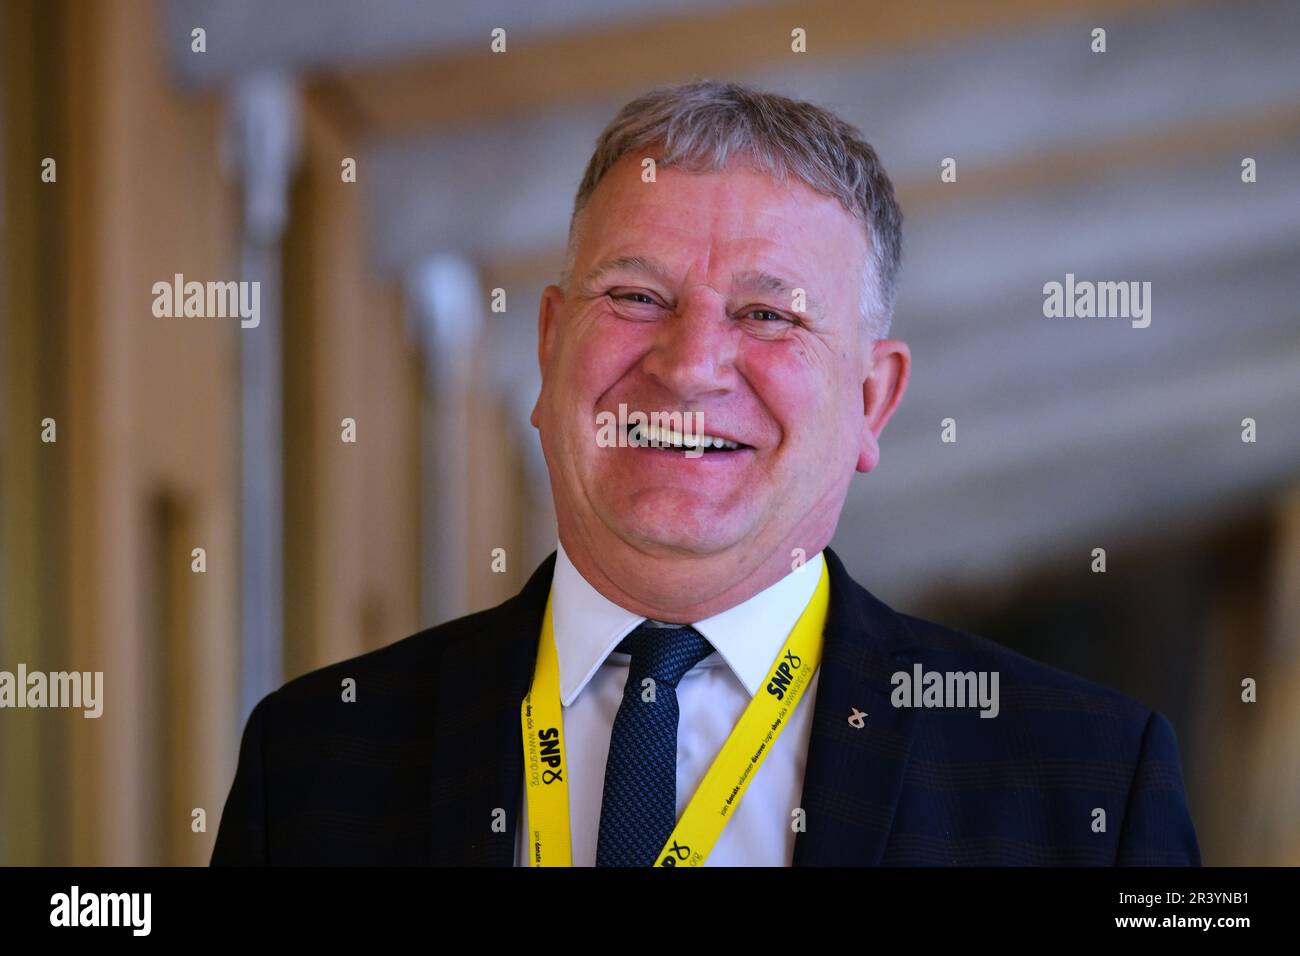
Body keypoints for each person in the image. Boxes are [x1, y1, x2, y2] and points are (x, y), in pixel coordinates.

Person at [211, 80, 1200, 866]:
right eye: (637, 294)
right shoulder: (316, 757)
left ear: (871, 398)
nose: (688, 364)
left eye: (768, 314)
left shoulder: (1085, 790)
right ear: (551, 347)